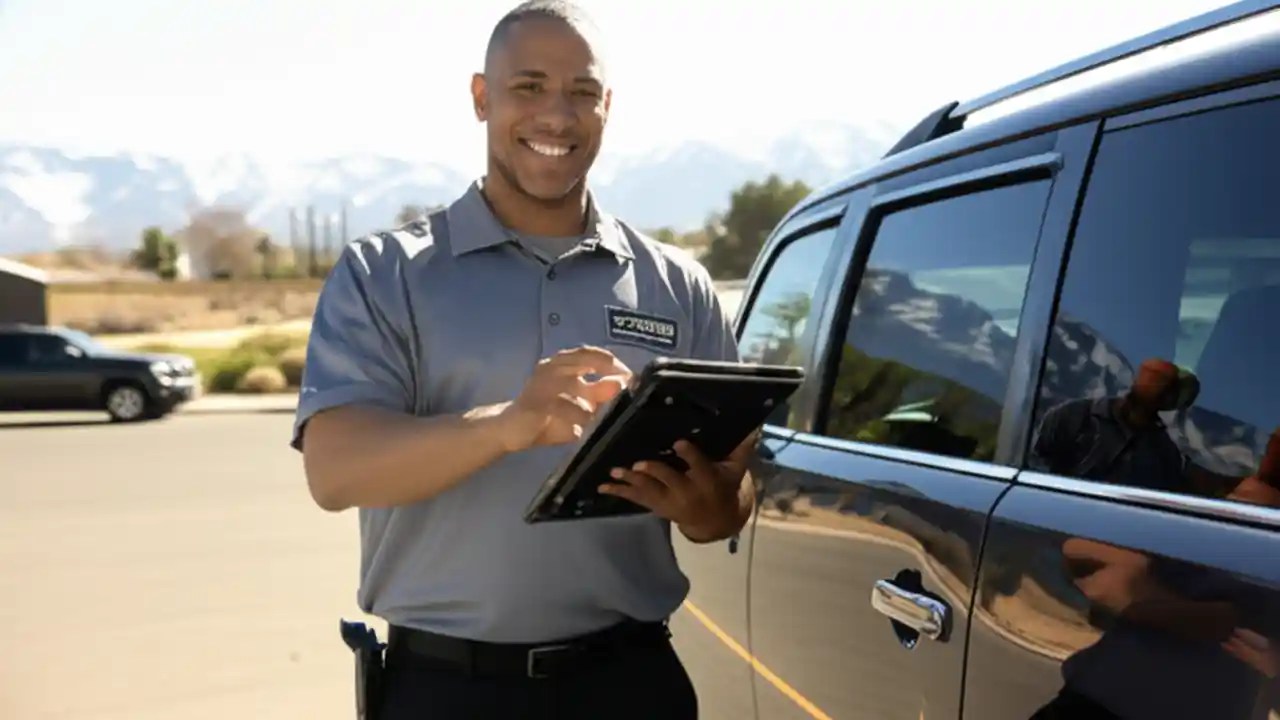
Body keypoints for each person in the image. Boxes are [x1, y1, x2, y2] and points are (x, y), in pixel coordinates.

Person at [290, 1, 755, 718]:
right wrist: (505, 425)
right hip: (448, 690)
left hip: (634, 684)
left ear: (607, 107)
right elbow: (334, 470)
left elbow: (732, 496)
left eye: (581, 93)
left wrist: (710, 507)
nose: (557, 117)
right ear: (482, 98)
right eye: (529, 87)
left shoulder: (677, 283)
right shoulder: (385, 273)